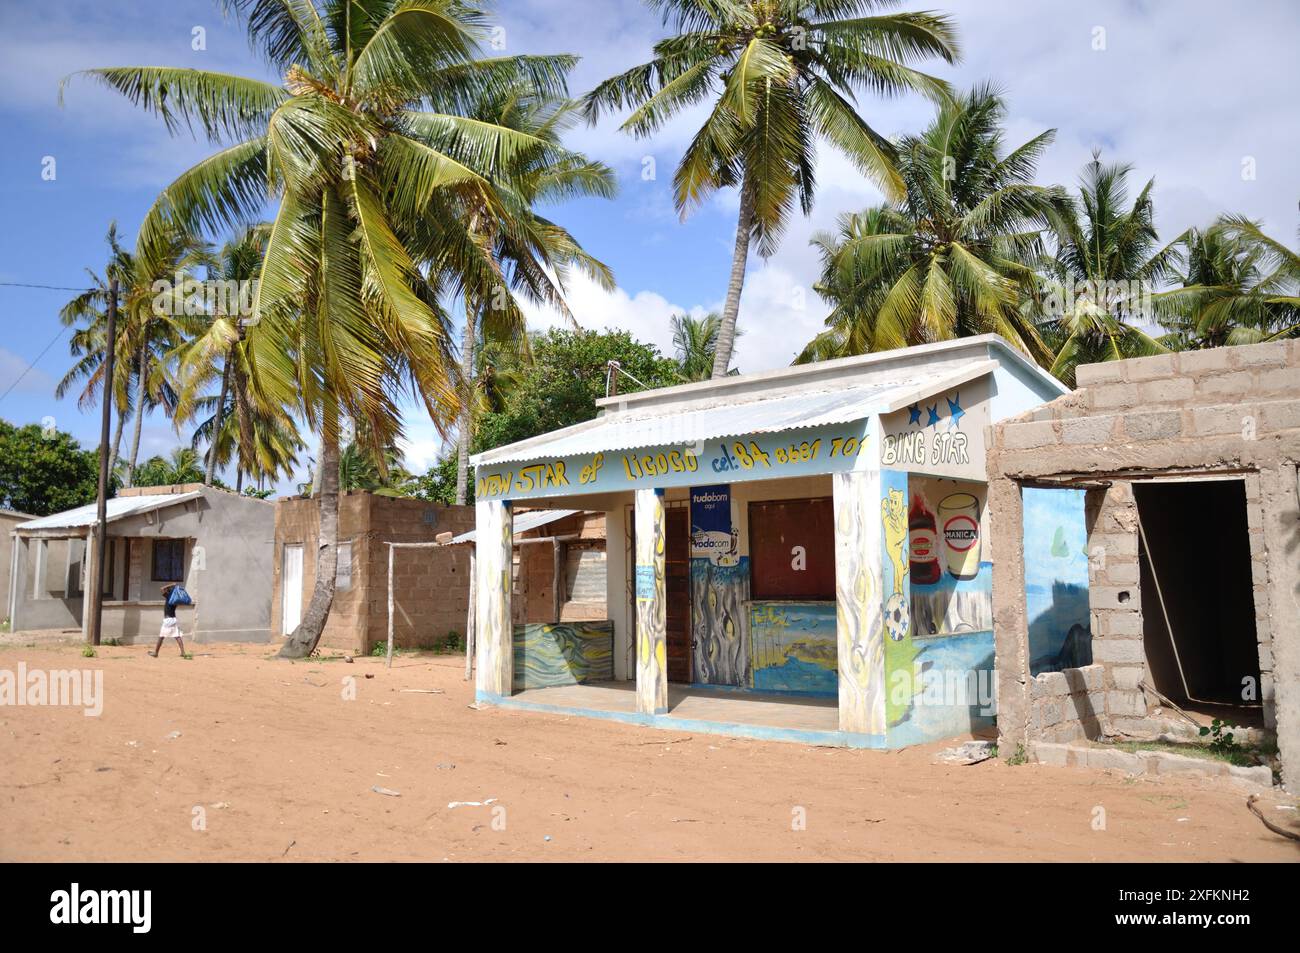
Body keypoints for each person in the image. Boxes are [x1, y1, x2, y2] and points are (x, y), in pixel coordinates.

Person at [149, 583, 187, 657]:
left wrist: (170, 585)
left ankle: (156, 653)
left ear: (169, 592)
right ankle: (183, 652)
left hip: (168, 620)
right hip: (173, 619)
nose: (166, 591)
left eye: (167, 590)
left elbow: (162, 589)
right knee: (177, 636)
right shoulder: (175, 599)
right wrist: (172, 587)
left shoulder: (169, 597)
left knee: (161, 636)